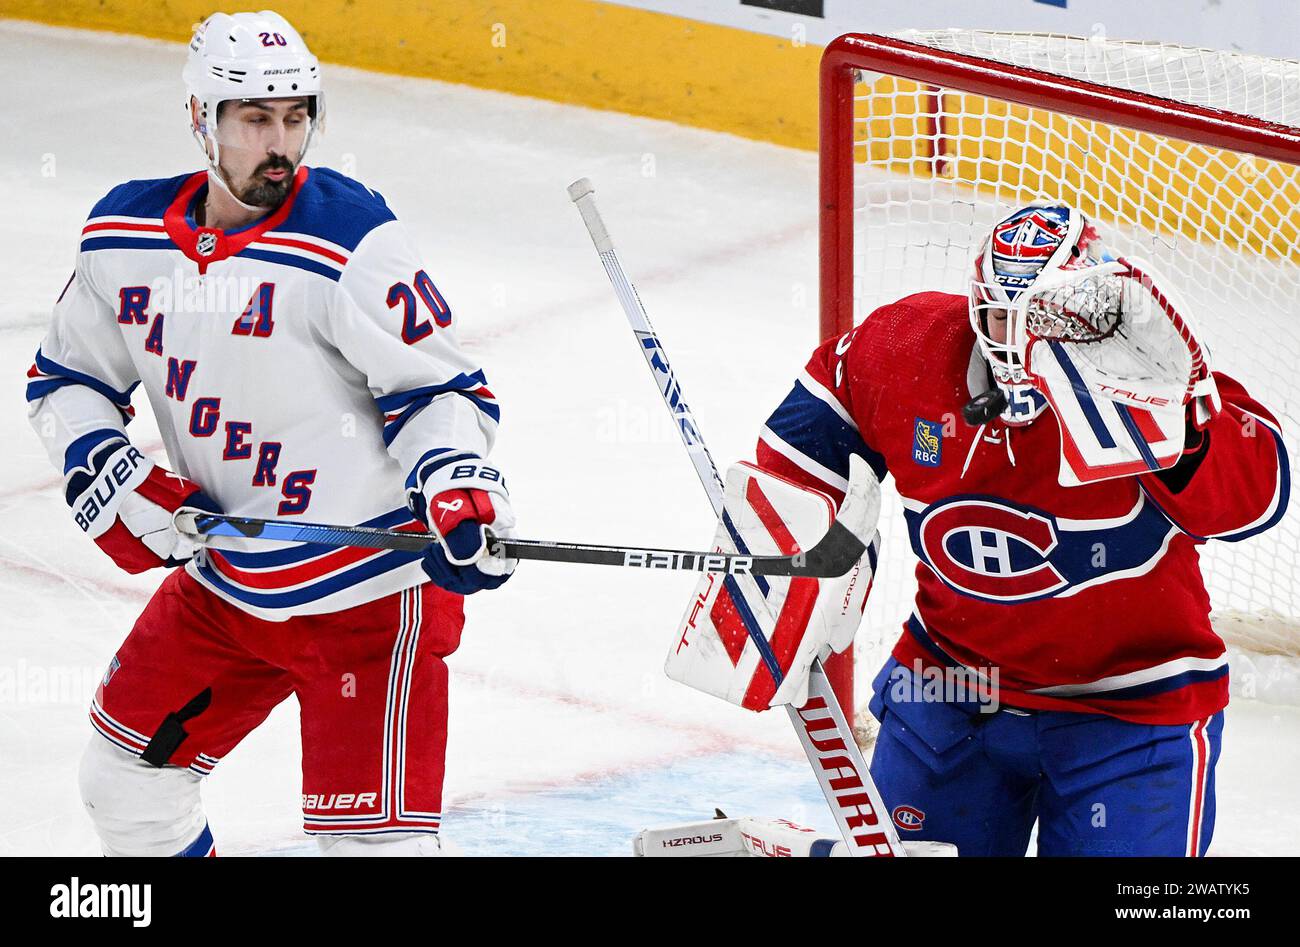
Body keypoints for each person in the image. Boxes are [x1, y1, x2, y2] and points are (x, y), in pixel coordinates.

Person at [25, 10, 515, 857]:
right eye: (255, 119)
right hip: (226, 585)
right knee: (125, 784)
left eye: (296, 117)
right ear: (199, 121)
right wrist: (107, 467)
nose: (280, 142)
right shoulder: (123, 237)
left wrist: (458, 487)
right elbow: (66, 380)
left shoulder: (349, 239)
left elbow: (438, 387)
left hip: (372, 594)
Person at [755, 203, 1289, 856]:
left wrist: (1186, 415)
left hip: (1131, 709)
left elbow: (1258, 499)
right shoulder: (913, 347)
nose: (1012, 340)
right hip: (951, 688)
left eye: (1032, 317)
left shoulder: (1141, 377)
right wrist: (782, 533)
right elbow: (822, 414)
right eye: (998, 315)